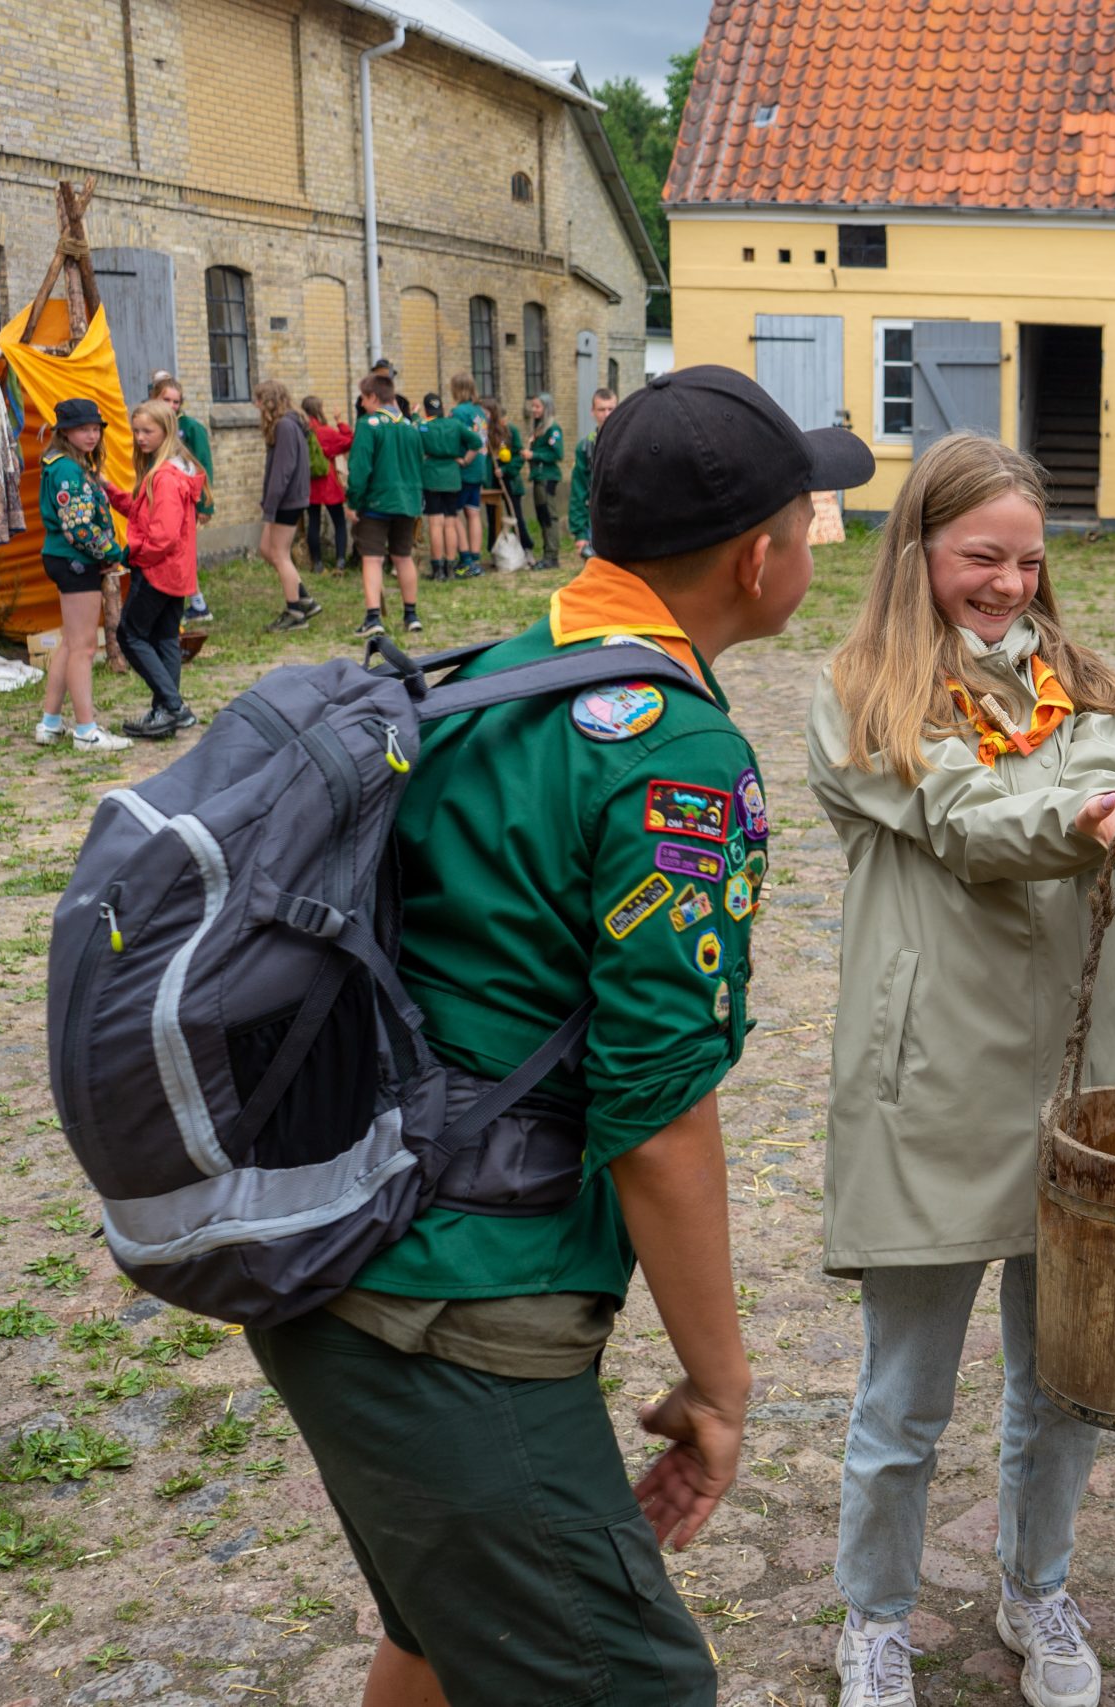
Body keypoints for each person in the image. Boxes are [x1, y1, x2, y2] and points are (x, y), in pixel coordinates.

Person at [246, 365, 876, 1707]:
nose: (819, 542)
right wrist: (720, 1385)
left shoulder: (493, 671)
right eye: (811, 520)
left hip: (333, 1249)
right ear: (758, 557)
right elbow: (654, 1110)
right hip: (454, 1306)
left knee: (439, 1629)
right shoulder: (675, 755)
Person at [807, 434, 1115, 1707]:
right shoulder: (859, 693)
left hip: (1078, 1079)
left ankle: (1035, 1585)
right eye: (979, 558)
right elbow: (967, 821)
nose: (1008, 584)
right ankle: (877, 1617)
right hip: (931, 1078)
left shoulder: (1084, 681)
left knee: (1067, 1375)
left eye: (1026, 559)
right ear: (919, 552)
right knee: (903, 1400)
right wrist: (1095, 817)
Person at [32, 398, 132, 753]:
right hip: (75, 559)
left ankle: (50, 723)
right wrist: (113, 554)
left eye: (95, 429)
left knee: (72, 643)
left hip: (65, 558)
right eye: (82, 429)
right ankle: (86, 731)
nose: (91, 435)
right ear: (64, 432)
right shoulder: (68, 471)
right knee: (86, 648)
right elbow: (79, 529)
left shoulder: (66, 464)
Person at [106, 400, 205, 741]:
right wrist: (112, 493)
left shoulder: (164, 477)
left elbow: (161, 534)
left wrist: (132, 554)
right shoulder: (175, 471)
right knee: (165, 639)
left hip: (158, 570)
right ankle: (165, 712)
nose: (139, 437)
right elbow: (142, 512)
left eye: (147, 431)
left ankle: (174, 706)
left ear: (166, 431)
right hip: (177, 572)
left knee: (130, 635)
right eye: (136, 431)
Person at [342, 372, 423, 637]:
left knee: (373, 559)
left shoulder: (368, 424)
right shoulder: (410, 427)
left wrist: (353, 501)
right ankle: (411, 615)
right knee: (403, 557)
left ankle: (373, 617)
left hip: (377, 501)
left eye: (364, 398)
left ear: (374, 397)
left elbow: (360, 466)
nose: (362, 404)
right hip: (407, 502)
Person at [150, 372, 222, 619]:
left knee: (181, 553)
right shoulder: (152, 427)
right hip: (161, 500)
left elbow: (203, 467)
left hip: (185, 502)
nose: (171, 406)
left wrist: (205, 506)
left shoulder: (191, 428)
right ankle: (192, 603)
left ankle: (196, 605)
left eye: (176, 401)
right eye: (166, 400)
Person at [254, 380, 318, 622]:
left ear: (269, 401)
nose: (255, 404)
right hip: (288, 499)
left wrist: (270, 506)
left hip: (286, 500)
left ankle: (294, 611)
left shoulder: (284, 426)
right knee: (266, 549)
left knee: (280, 555)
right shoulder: (288, 424)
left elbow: (283, 471)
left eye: (259, 399)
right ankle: (304, 599)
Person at [420, 390, 478, 583]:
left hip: (432, 477)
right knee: (451, 523)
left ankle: (438, 570)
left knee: (435, 524)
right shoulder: (455, 424)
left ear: (427, 410)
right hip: (452, 476)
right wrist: (465, 461)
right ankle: (451, 568)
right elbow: (476, 442)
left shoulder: (424, 426)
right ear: (442, 408)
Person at [302, 394, 353, 573]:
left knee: (313, 523)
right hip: (328, 480)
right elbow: (348, 441)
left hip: (309, 482)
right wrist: (340, 422)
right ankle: (340, 561)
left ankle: (317, 563)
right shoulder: (326, 431)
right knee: (339, 522)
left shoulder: (302, 431)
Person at [570, 385, 618, 560]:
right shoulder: (585, 447)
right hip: (596, 522)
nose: (606, 414)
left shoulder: (630, 441)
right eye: (601, 409)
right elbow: (578, 490)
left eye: (611, 409)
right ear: (593, 412)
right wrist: (580, 533)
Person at [451, 374, 490, 575]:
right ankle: (476, 558)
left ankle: (465, 558)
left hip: (464, 467)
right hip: (480, 467)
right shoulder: (480, 412)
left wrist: (463, 458)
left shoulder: (458, 412)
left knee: (455, 514)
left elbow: (457, 437)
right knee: (473, 512)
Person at [486, 396, 532, 561]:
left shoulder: (510, 430)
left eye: (486, 413)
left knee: (516, 515)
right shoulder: (484, 432)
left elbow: (520, 455)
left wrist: (505, 470)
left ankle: (525, 548)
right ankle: (494, 551)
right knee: (492, 517)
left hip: (509, 479)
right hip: (491, 480)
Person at [527, 392, 566, 568]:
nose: (533, 410)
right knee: (543, 516)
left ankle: (552, 556)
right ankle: (547, 554)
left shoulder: (553, 429)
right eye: (533, 406)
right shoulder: (539, 429)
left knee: (549, 517)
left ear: (546, 408)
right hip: (538, 477)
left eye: (537, 407)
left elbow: (557, 454)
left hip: (547, 478)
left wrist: (534, 454)